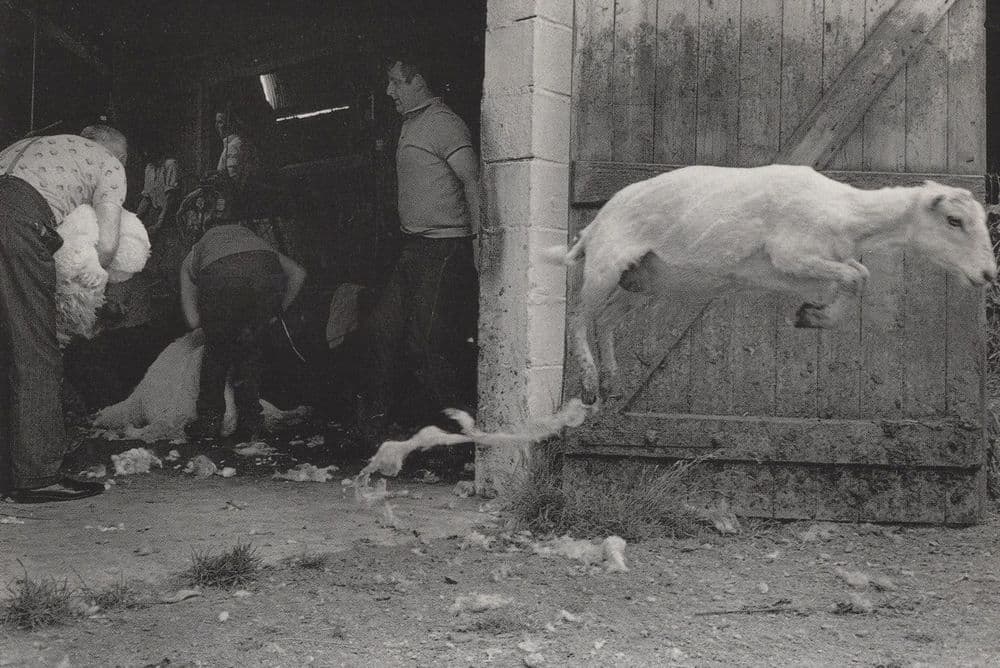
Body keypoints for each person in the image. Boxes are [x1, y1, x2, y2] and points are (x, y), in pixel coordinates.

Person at [355, 50, 481, 445]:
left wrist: (479, 240)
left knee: (426, 345)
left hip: (442, 248)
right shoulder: (411, 123)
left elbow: (472, 181)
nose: (389, 90)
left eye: (395, 82)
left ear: (418, 81)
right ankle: (374, 428)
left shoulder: (444, 124)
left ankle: (469, 435)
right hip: (413, 248)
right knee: (380, 330)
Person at [0, 124, 129, 503]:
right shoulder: (108, 164)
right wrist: (95, 288)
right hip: (18, 222)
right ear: (117, 155)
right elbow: (106, 244)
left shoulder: (28, 144)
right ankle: (38, 477)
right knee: (35, 351)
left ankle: (11, 467)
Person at [180, 222, 306, 442]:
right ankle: (251, 424)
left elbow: (192, 321)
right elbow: (299, 274)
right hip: (264, 271)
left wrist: (216, 326)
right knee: (249, 351)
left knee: (216, 352)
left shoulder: (193, 255)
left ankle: (209, 422)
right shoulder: (259, 245)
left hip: (221, 279)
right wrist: (276, 311)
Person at [212, 105, 266, 220]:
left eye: (220, 122)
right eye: (216, 122)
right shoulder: (241, 143)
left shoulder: (234, 146)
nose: (217, 126)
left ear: (231, 125)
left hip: (236, 209)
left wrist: (218, 211)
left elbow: (232, 184)